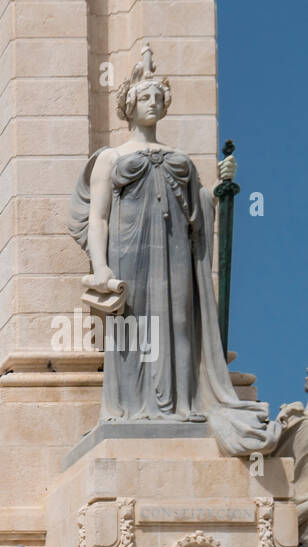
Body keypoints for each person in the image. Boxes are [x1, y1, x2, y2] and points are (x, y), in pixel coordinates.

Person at [70, 43, 280, 456]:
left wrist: (219, 191)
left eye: (157, 98)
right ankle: (130, 408)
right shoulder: (111, 158)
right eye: (144, 97)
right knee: (133, 330)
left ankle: (182, 405)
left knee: (179, 323)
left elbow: (199, 213)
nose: (151, 103)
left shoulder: (179, 158)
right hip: (129, 253)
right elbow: (98, 218)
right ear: (128, 105)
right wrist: (100, 266)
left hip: (175, 253)